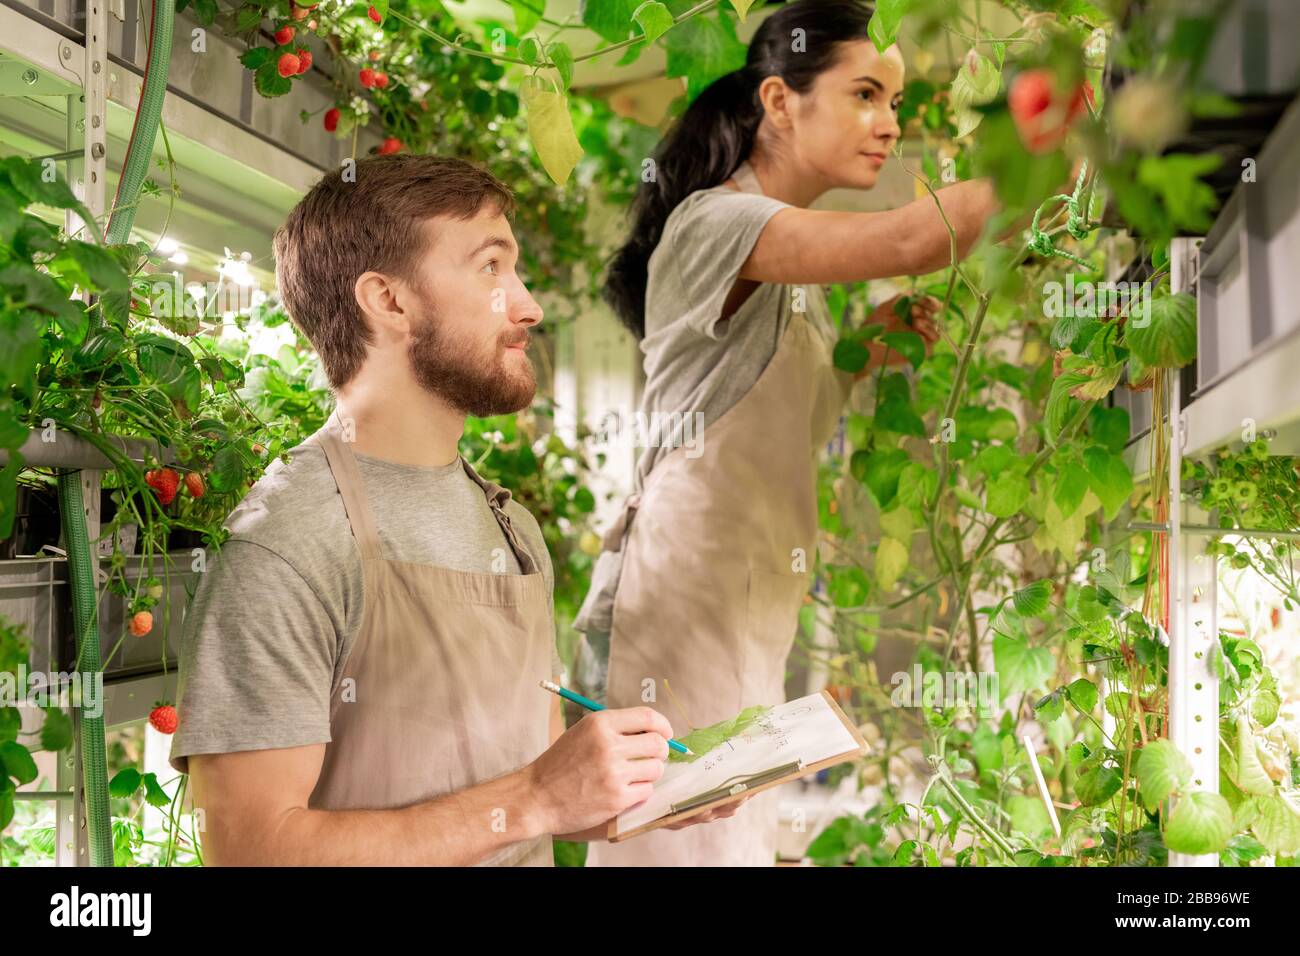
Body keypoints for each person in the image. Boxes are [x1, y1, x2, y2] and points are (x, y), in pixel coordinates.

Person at [170, 154, 738, 866]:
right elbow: (255, 851)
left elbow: (496, 801)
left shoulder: (509, 526)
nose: (527, 305)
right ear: (389, 301)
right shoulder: (287, 542)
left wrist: (634, 794)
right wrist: (538, 795)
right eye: (490, 269)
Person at [575, 0, 1008, 866]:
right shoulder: (716, 221)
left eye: (895, 102)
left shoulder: (784, 264)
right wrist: (1050, 143)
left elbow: (764, 405)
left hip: (743, 610)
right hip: (686, 612)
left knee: (725, 842)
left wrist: (858, 359)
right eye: (866, 94)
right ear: (780, 101)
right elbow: (917, 235)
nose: (889, 124)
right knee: (680, 848)